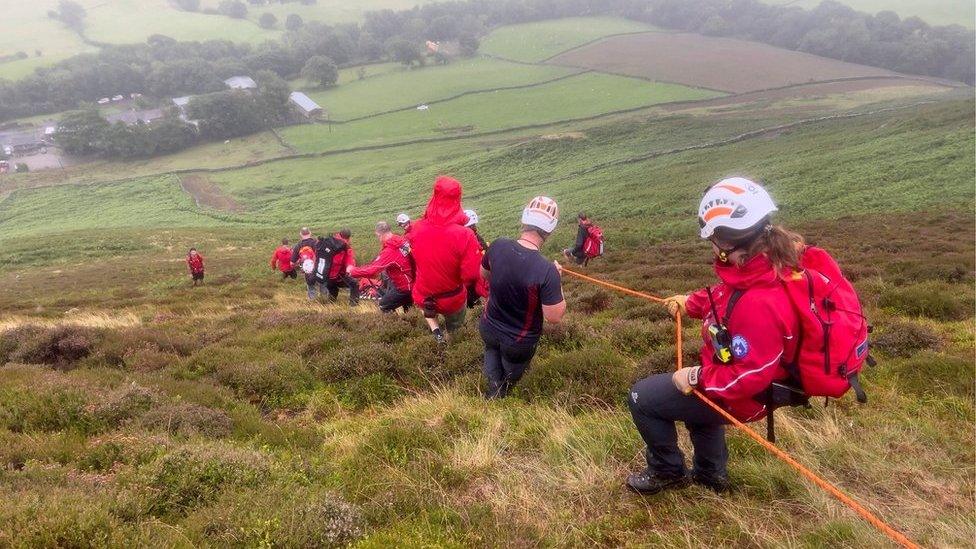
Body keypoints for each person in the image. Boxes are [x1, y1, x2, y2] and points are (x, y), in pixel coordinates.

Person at [626, 177, 803, 495]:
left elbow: (749, 378)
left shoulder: (760, 303)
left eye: (712, 239)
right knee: (697, 410)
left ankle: (667, 471)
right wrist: (689, 303)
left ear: (726, 243)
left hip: (743, 397)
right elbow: (726, 295)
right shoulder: (761, 268)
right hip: (735, 385)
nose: (711, 246)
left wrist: (696, 376)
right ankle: (711, 476)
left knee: (642, 397)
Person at [479, 196, 566, 398]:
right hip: (518, 341)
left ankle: (492, 392)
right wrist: (558, 280)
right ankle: (502, 396)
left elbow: (483, 274)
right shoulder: (547, 271)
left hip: (489, 324)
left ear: (524, 219)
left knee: (491, 351)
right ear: (550, 230)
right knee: (511, 375)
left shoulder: (498, 245)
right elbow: (554, 317)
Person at [408, 176, 483, 344]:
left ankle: (436, 333)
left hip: (423, 294)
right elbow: (470, 275)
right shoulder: (465, 235)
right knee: (456, 333)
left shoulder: (416, 227)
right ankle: (452, 343)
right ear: (458, 200)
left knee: (425, 307)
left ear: (434, 196)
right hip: (452, 299)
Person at [347, 221, 414, 313]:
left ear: (379, 234)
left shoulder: (390, 250)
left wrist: (353, 271)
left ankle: (395, 322)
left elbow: (372, 270)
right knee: (408, 309)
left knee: (384, 305)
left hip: (404, 286)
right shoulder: (401, 241)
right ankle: (410, 319)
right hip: (412, 281)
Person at [315, 229, 359, 307]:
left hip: (326, 276)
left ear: (339, 234)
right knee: (354, 284)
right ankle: (353, 306)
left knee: (333, 289)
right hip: (338, 276)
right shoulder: (345, 247)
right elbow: (350, 263)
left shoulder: (328, 242)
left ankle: (330, 305)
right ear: (349, 238)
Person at [464, 208, 489, 309]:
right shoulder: (463, 240)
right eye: (471, 226)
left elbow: (485, 250)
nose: (474, 228)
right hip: (469, 277)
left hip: (478, 272)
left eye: (474, 225)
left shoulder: (476, 236)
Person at [291, 227, 320, 300]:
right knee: (323, 285)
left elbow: (292, 263)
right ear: (310, 233)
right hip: (319, 269)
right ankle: (326, 301)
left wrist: (298, 264)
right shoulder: (317, 243)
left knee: (311, 286)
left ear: (300, 234)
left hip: (308, 271)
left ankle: (312, 301)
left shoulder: (298, 245)